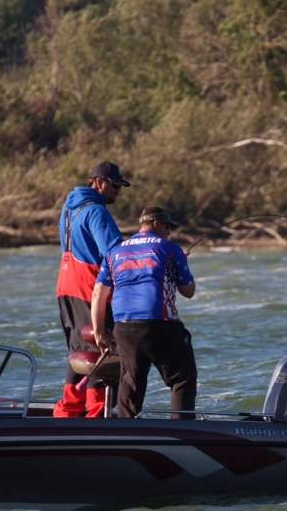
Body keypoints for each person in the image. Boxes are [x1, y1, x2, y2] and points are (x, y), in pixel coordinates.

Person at [91, 206, 197, 419]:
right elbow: (189, 291)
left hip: (123, 327)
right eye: (167, 227)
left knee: (131, 383)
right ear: (157, 224)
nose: (169, 232)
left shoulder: (115, 252)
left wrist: (99, 331)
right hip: (160, 324)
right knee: (182, 377)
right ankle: (183, 428)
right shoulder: (170, 249)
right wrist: (180, 263)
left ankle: (127, 431)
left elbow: (98, 295)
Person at [54, 161, 131, 418]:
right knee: (103, 348)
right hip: (89, 288)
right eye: (115, 185)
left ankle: (67, 410)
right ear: (98, 182)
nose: (118, 191)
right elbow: (113, 253)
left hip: (65, 288)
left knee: (77, 350)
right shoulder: (97, 211)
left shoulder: (68, 208)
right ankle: (98, 413)